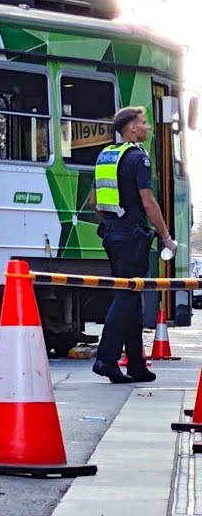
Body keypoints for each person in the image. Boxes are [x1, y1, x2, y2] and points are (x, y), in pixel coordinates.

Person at [91, 106, 177, 384]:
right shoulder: (138, 158)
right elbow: (148, 201)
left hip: (112, 232)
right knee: (127, 296)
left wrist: (111, 225)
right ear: (131, 128)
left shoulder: (107, 156)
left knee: (131, 297)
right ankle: (106, 359)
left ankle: (137, 365)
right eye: (143, 122)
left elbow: (94, 200)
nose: (147, 127)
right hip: (131, 234)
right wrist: (165, 237)